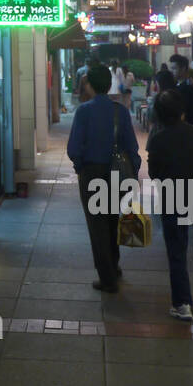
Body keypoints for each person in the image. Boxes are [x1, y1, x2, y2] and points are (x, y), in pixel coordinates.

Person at [146, 90, 193, 320]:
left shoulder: (157, 139)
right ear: (181, 111)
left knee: (177, 251)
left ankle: (182, 304)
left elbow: (154, 173)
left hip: (174, 198)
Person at [67, 63, 141, 293]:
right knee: (111, 219)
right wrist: (132, 173)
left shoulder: (84, 111)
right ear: (109, 85)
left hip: (92, 173)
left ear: (89, 84)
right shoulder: (119, 111)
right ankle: (114, 266)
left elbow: (74, 147)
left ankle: (107, 277)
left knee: (97, 225)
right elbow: (132, 146)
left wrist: (80, 168)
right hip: (117, 173)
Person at [169, 54, 193, 126]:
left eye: (174, 68)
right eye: (171, 68)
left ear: (183, 69)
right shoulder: (180, 85)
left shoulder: (187, 88)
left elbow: (184, 111)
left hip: (184, 129)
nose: (172, 71)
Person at [146, 69, 178, 136]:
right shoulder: (177, 97)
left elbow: (151, 119)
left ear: (160, 84)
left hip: (159, 134)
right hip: (177, 134)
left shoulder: (158, 99)